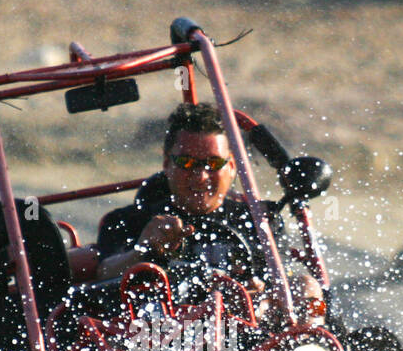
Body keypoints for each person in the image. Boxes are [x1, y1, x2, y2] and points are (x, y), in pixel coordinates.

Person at [93, 102, 322, 318]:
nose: (201, 177)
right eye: (187, 163)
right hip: (154, 341)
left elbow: (278, 289)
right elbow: (103, 276)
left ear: (232, 166)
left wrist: (260, 299)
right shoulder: (128, 220)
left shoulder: (260, 222)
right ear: (166, 164)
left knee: (305, 287)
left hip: (244, 343)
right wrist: (142, 251)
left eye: (213, 164)